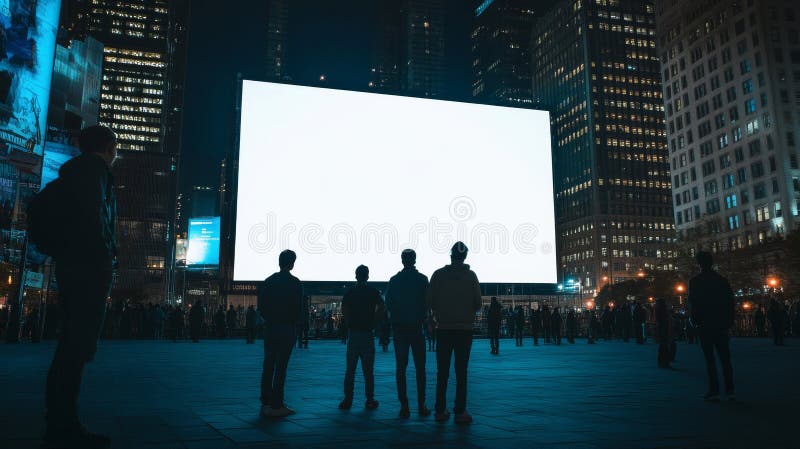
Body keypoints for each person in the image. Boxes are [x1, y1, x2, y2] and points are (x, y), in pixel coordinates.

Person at [42, 125, 118, 449]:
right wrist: (105, 257)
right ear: (109, 147)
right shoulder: (94, 170)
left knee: (69, 347)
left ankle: (60, 423)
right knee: (75, 349)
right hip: (87, 270)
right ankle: (65, 426)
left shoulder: (74, 172)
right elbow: (94, 218)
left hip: (73, 266)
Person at [427, 242, 482, 424]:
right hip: (464, 330)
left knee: (442, 371)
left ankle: (440, 410)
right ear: (465, 256)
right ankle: (460, 412)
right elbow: (478, 304)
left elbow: (431, 302)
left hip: (443, 329)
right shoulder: (471, 276)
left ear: (451, 255)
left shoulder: (438, 275)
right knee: (461, 372)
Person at [385, 249, 431, 418]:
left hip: (399, 329)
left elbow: (388, 303)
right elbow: (428, 302)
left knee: (400, 368)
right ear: (415, 259)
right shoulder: (422, 280)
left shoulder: (394, 280)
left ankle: (404, 405)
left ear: (402, 260)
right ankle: (421, 405)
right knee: (420, 369)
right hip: (417, 328)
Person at [258, 250, 302, 418]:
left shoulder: (269, 281)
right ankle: (277, 404)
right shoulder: (295, 283)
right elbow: (297, 309)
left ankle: (265, 400)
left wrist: (270, 318)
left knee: (268, 364)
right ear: (292, 263)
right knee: (281, 367)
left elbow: (261, 306)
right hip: (287, 328)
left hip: (270, 328)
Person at [688, 251, 735, 401]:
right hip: (721, 324)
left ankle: (714, 389)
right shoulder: (722, 280)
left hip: (705, 324)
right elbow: (730, 302)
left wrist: (695, 321)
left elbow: (693, 303)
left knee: (710, 359)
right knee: (725, 359)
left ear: (699, 264)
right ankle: (730, 390)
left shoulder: (695, 281)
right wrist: (729, 322)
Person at [339, 265, 384, 411]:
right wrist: (374, 322)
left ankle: (347, 399)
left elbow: (344, 309)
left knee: (350, 369)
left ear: (356, 276)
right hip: (367, 334)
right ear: (368, 276)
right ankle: (369, 399)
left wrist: (349, 321)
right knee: (368, 370)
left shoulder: (350, 292)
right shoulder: (373, 292)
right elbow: (382, 307)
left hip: (354, 333)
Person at [655, 298, 672, 368]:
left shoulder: (659, 310)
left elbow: (659, 321)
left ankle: (662, 361)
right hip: (664, 329)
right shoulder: (664, 310)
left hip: (662, 329)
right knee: (664, 346)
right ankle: (665, 361)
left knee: (662, 346)